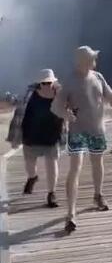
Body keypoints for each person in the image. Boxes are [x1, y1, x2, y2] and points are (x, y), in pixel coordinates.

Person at [52, 46, 112, 234]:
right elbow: (55, 107)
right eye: (91, 58)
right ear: (82, 61)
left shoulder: (98, 77)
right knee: (76, 168)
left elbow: (111, 96)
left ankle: (98, 195)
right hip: (77, 131)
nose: (94, 61)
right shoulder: (69, 81)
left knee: (97, 162)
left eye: (94, 58)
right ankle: (71, 212)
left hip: (97, 129)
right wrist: (66, 115)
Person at [18, 70, 64, 208]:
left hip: (52, 134)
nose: (46, 85)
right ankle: (32, 177)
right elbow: (20, 111)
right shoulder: (30, 94)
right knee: (30, 164)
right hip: (31, 135)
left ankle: (51, 194)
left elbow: (71, 108)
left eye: (49, 82)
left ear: (53, 82)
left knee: (51, 163)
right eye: (43, 83)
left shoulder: (60, 94)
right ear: (39, 83)